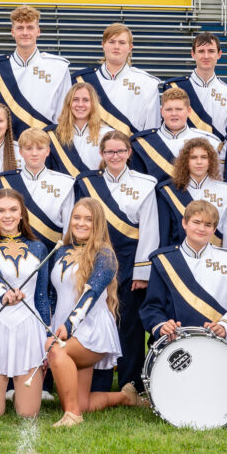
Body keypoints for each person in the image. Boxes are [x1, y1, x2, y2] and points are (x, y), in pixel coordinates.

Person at [41, 198, 145, 426]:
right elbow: (52, 295)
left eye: (88, 219)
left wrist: (68, 326)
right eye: (77, 218)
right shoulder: (60, 251)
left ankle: (72, 416)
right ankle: (126, 397)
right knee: (83, 402)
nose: (81, 223)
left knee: (57, 352)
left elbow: (92, 294)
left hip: (91, 330)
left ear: (97, 223)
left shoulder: (104, 254)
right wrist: (47, 327)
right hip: (63, 328)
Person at [75, 130, 159, 391]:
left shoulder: (146, 183)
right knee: (96, 318)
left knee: (129, 323)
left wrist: (142, 273)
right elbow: (79, 222)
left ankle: (130, 381)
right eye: (109, 151)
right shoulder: (87, 182)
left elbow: (150, 229)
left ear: (129, 153)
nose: (115, 156)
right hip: (95, 258)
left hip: (130, 259)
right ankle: (96, 381)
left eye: (120, 151)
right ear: (101, 154)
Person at [0, 189, 54, 418]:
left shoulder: (38, 248)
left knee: (28, 413)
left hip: (28, 328)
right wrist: (4, 295)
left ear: (22, 214)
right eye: (1, 210)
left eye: (13, 209)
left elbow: (41, 297)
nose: (7, 215)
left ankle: (20, 394)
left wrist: (47, 336)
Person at [139, 200, 227, 355]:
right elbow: (151, 307)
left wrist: (225, 326)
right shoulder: (164, 260)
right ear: (184, 223)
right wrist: (162, 325)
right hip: (172, 346)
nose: (201, 229)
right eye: (196, 222)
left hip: (216, 345)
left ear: (214, 229)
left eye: (208, 225)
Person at [0, 5, 70, 134]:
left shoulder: (58, 67)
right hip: (8, 146)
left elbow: (62, 115)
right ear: (12, 32)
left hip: (44, 144)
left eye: (30, 27)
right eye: (20, 28)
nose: (25, 32)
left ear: (38, 31)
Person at [69, 23, 161, 136]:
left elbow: (151, 130)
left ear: (130, 48)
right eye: (111, 42)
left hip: (130, 150)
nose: (116, 46)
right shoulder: (81, 80)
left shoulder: (147, 83)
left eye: (122, 43)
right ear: (103, 45)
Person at [153, 138, 227, 250]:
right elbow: (164, 236)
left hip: (214, 260)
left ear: (211, 161)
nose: (199, 162)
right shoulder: (168, 191)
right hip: (179, 260)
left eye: (204, 157)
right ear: (185, 161)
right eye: (193, 157)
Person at [0, 128, 75, 242]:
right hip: (13, 250)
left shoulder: (64, 183)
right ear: (21, 152)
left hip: (52, 251)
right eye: (29, 148)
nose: (34, 153)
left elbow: (68, 227)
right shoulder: (5, 181)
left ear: (47, 151)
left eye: (40, 148)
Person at [130, 86, 222, 180]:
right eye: (169, 109)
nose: (174, 114)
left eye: (179, 109)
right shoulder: (142, 142)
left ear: (189, 111)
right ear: (162, 112)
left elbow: (216, 180)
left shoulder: (210, 141)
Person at [161, 31, 227, 137]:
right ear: (193, 54)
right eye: (201, 51)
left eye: (211, 51)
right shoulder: (173, 87)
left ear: (219, 54)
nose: (206, 56)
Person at [48, 82, 113, 178]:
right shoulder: (54, 135)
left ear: (93, 104)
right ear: (68, 103)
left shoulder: (108, 134)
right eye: (75, 100)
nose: (80, 104)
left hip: (95, 191)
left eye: (86, 100)